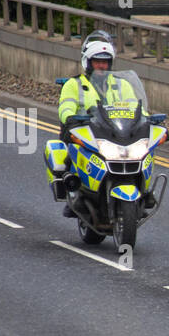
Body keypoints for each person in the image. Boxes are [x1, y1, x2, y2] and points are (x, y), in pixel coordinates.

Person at [51, 33, 147, 216]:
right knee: (69, 158)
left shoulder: (122, 84)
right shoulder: (74, 84)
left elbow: (137, 107)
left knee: (142, 152)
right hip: (85, 132)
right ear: (88, 62)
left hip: (115, 133)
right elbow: (65, 107)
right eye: (97, 61)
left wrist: (146, 119)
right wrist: (70, 117)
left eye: (105, 62)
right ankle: (75, 193)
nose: (102, 66)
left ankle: (144, 192)